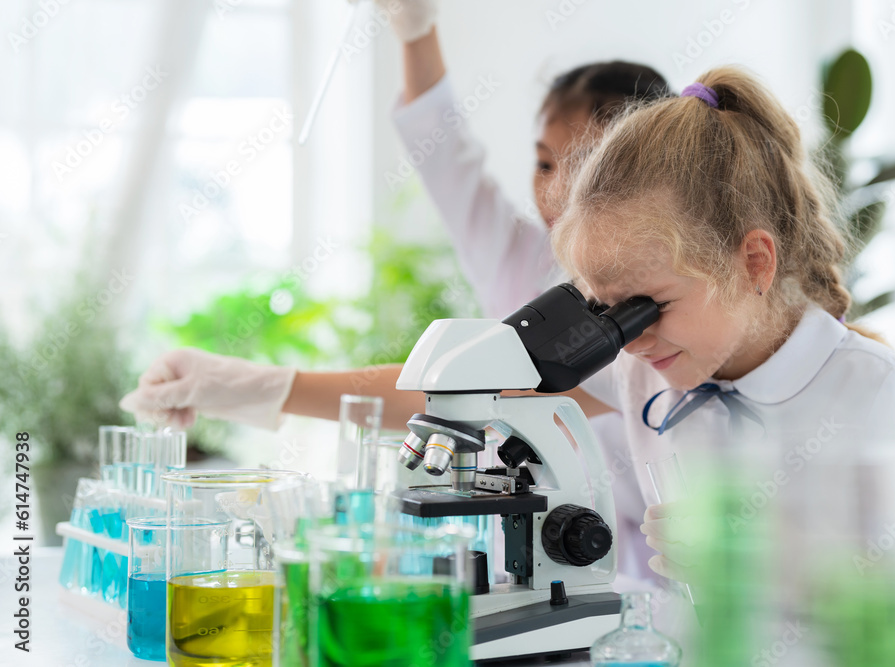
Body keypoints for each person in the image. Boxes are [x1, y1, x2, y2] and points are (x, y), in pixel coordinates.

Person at [121, 2, 671, 580]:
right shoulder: (520, 253)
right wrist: (415, 27)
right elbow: (443, 150)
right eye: (542, 163)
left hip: (642, 569)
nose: (556, 192)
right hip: (532, 540)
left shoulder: (644, 315)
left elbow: (488, 398)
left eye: (581, 167)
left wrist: (259, 386)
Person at [544, 67, 895, 587]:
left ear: (754, 262)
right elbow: (502, 389)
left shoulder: (880, 394)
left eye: (649, 306)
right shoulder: (646, 370)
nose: (631, 341)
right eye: (606, 311)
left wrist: (782, 560)